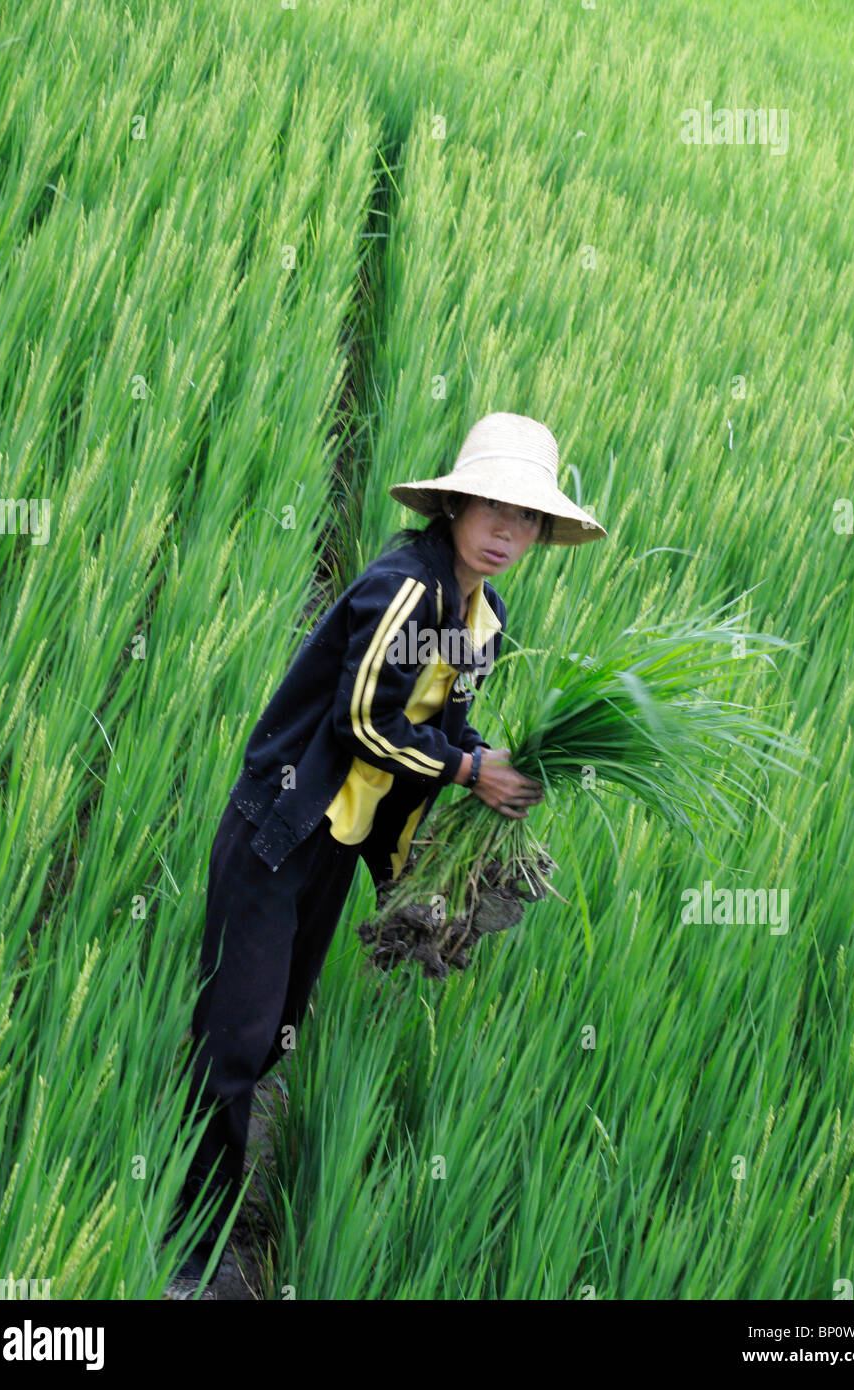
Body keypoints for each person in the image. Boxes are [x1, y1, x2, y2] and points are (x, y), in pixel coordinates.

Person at [166, 411, 606, 1291]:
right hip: (284, 824)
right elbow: (362, 721)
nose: (509, 533)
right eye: (494, 510)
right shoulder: (407, 588)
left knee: (282, 1022)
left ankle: (227, 1175)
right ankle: (191, 1247)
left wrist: (489, 774)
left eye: (528, 520)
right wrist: (471, 769)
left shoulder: (485, 616)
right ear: (455, 507)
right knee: (237, 1036)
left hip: (343, 836)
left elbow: (442, 722)